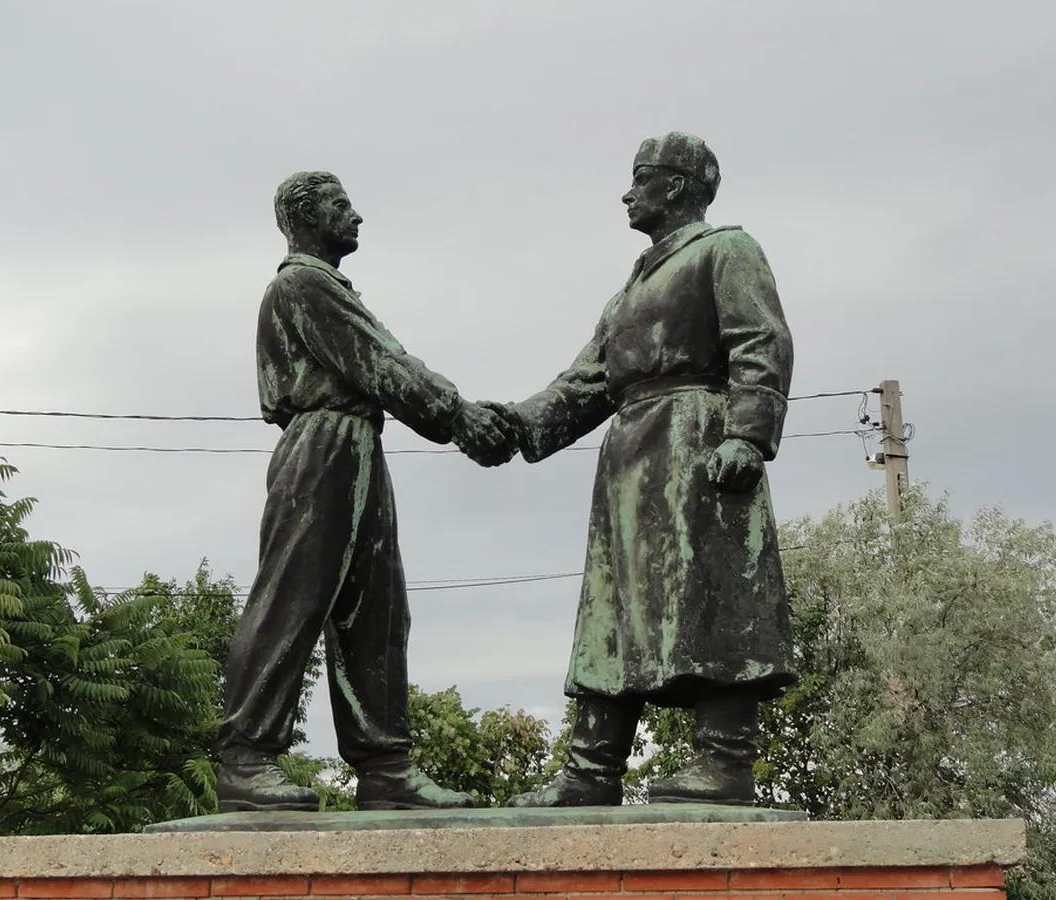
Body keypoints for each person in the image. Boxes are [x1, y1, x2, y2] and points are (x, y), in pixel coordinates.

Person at [493, 133, 795, 807]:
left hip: (699, 445)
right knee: (614, 609)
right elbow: (586, 382)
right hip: (632, 458)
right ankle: (591, 770)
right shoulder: (629, 291)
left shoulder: (726, 250)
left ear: (679, 187)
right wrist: (511, 425)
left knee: (716, 599)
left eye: (641, 178)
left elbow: (760, 340)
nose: (628, 192)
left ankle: (725, 763)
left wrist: (748, 434)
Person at [215, 171, 517, 812]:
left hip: (357, 444)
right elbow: (379, 361)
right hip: (322, 446)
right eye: (340, 205)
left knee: (377, 609)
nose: (356, 217)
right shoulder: (302, 284)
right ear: (306, 215)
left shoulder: (323, 285)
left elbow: (381, 362)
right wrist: (457, 415)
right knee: (290, 600)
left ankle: (384, 769)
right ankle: (245, 758)